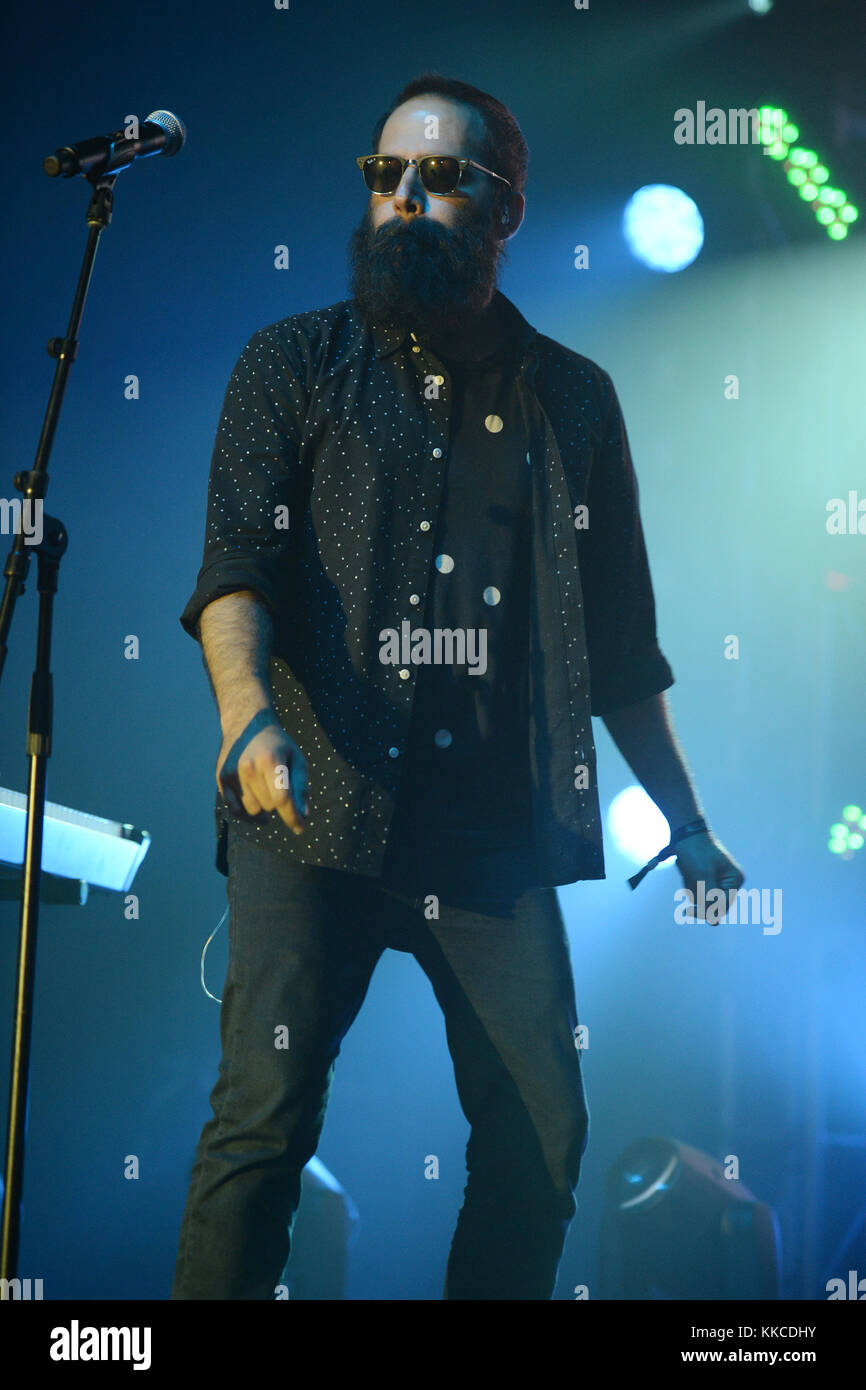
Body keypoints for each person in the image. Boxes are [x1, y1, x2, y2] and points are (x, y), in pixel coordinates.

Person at [171, 73, 745, 1301]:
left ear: (505, 213)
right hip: (308, 810)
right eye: (386, 176)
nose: (407, 198)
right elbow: (235, 569)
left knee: (542, 1142)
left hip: (485, 833)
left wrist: (688, 824)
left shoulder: (573, 400)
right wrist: (246, 714)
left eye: (439, 177)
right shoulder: (292, 363)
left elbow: (622, 648)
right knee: (261, 1128)